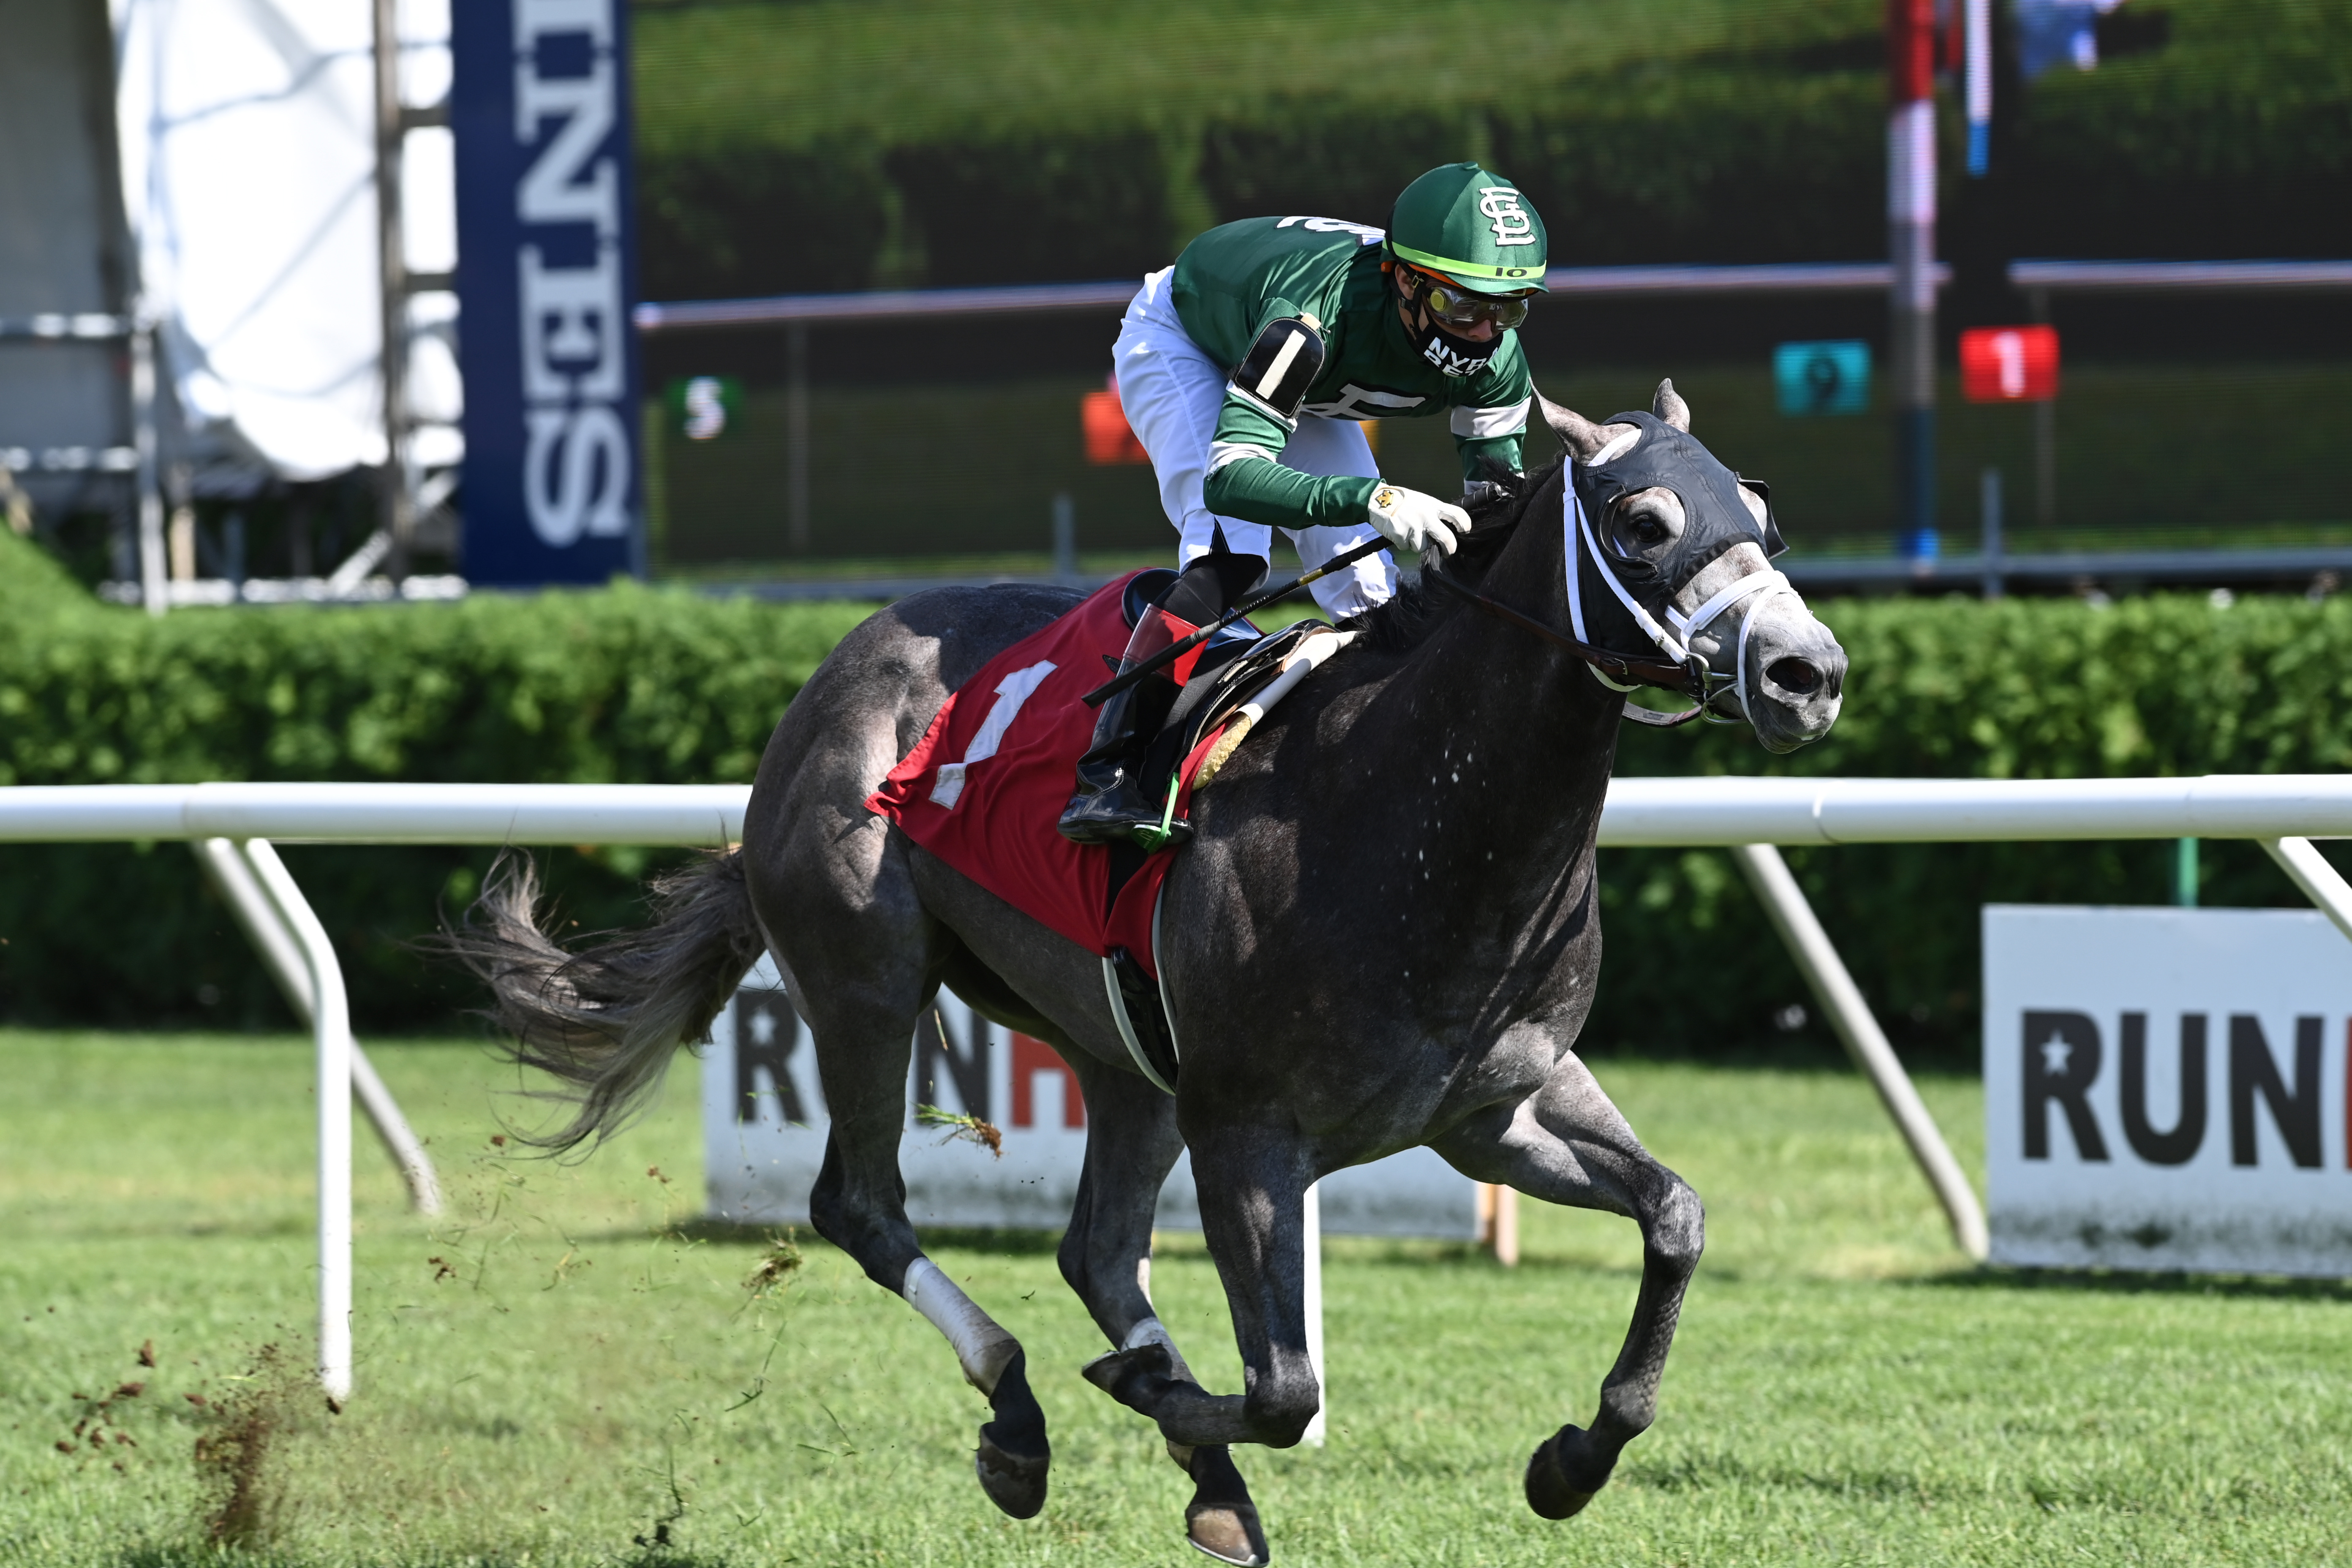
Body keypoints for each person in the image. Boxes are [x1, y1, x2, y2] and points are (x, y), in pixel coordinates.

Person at [1058, 161, 1549, 844]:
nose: (1484, 334)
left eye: (1509, 308)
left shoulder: (1498, 357)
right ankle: (1111, 771)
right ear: (1406, 280)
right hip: (1191, 341)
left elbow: (1497, 519)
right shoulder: (1310, 320)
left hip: (1305, 380)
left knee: (1372, 593)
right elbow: (1232, 479)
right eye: (1461, 307)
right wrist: (1372, 497)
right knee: (1231, 557)